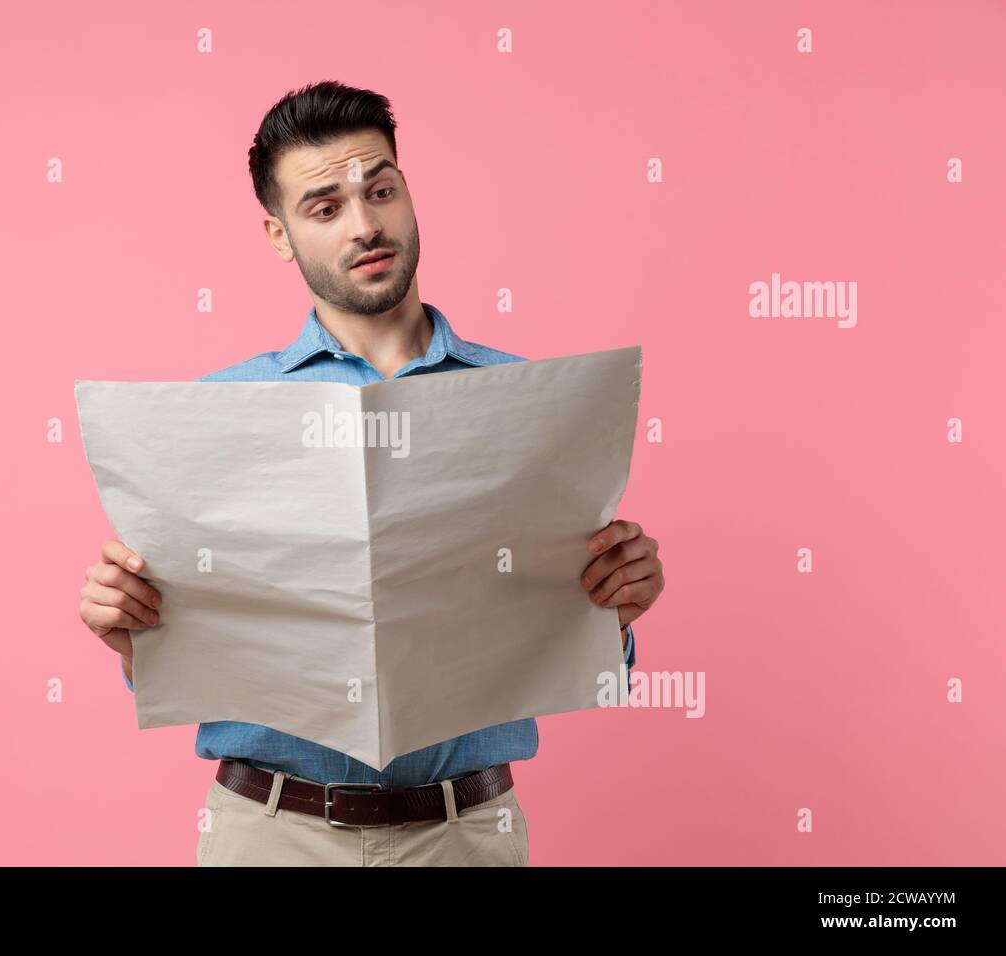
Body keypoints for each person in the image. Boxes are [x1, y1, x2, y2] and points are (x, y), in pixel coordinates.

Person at [78, 81, 666, 866]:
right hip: (269, 833)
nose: (365, 225)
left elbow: (569, 633)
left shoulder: (527, 401)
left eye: (380, 190)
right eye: (324, 208)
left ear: (407, 193)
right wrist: (130, 637)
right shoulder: (219, 413)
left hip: (466, 833)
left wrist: (616, 613)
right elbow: (192, 652)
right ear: (279, 234)